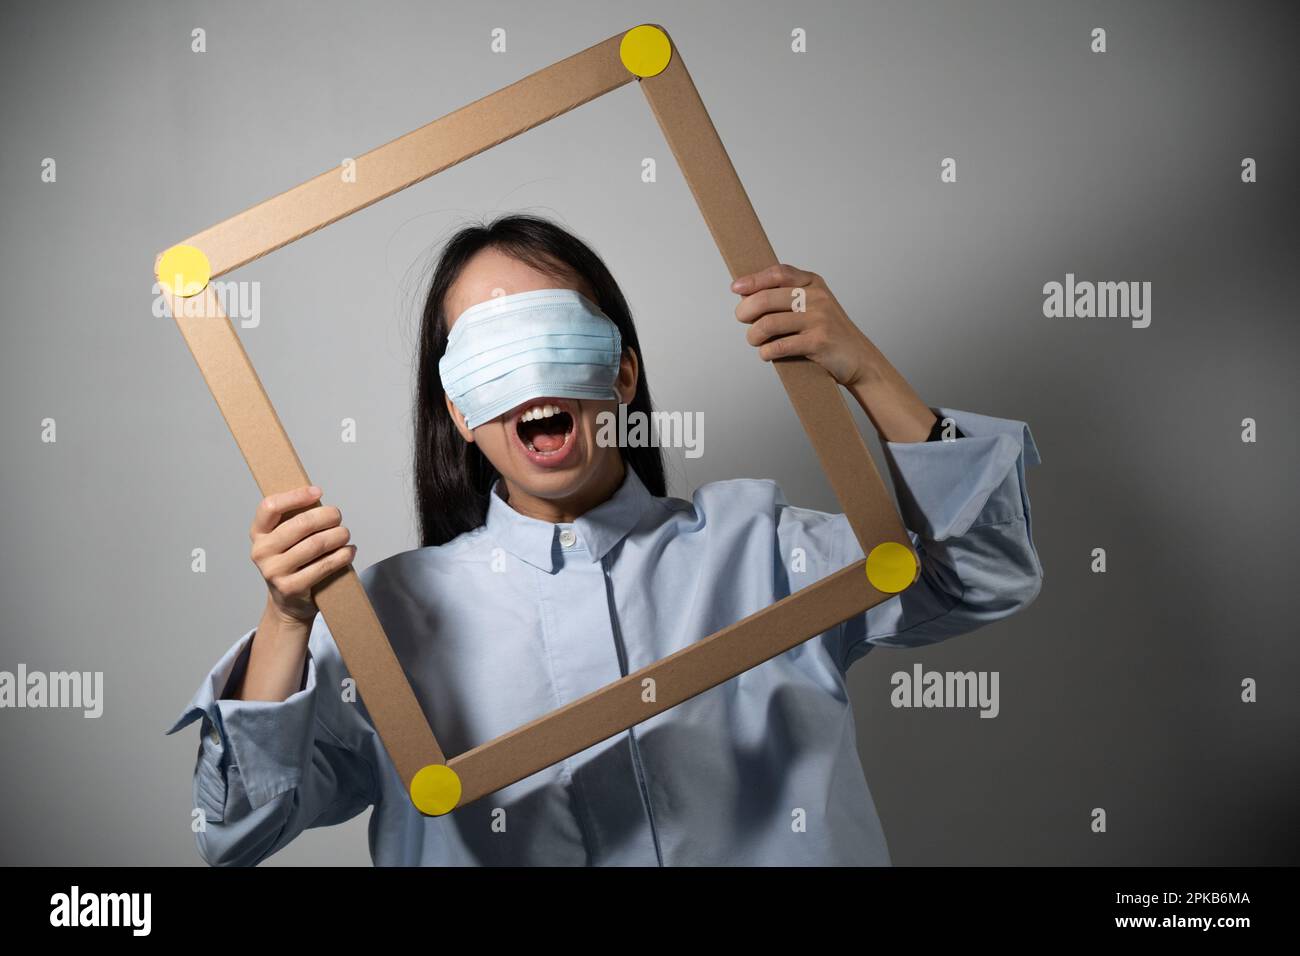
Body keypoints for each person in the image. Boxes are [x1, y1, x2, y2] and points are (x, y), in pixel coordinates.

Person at [164, 213, 1043, 866]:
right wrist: (286, 618)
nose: (529, 377)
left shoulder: (761, 548)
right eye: (487, 350)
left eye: (552, 334)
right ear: (460, 411)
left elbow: (981, 576)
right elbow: (237, 827)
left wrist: (862, 366)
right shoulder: (388, 620)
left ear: (620, 372)